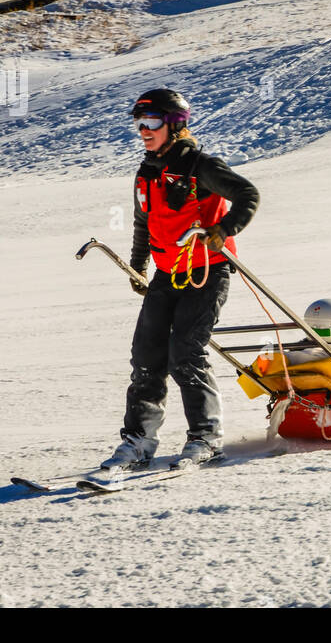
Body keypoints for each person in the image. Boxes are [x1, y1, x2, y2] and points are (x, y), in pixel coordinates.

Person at [103, 88, 260, 470]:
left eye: (152, 122)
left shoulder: (201, 166)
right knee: (146, 357)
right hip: (167, 273)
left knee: (186, 353)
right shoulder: (146, 173)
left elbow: (247, 194)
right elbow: (144, 224)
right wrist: (139, 266)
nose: (143, 130)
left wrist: (223, 229)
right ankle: (139, 441)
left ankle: (206, 437)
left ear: (175, 125)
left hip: (207, 271)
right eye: (139, 123)